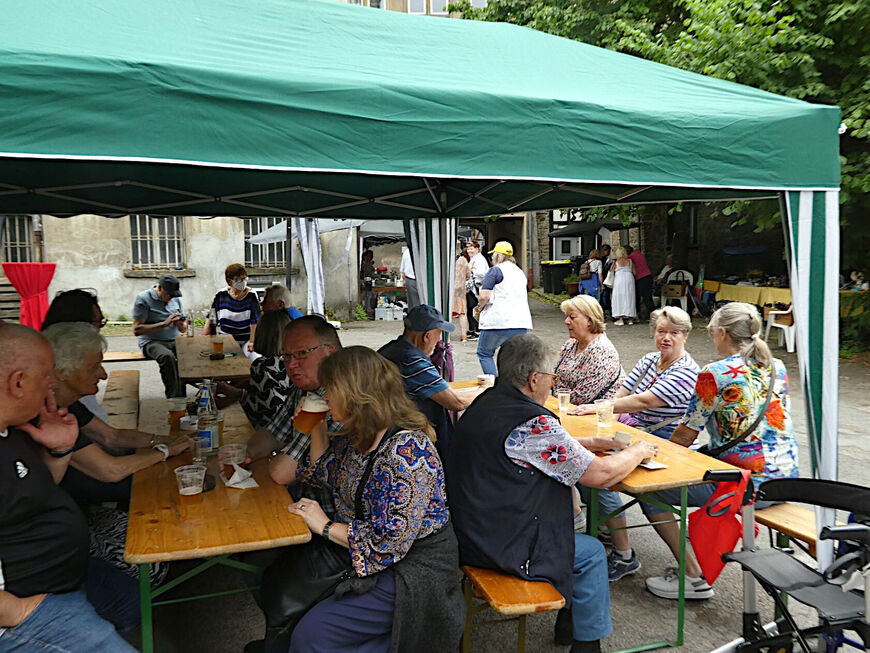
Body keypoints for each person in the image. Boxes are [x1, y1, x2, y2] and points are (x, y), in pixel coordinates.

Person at [447, 334, 657, 653]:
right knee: (589, 552)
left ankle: (568, 622)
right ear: (534, 379)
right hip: (500, 546)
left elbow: (530, 449)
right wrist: (639, 450)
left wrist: (589, 445)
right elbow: (601, 476)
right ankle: (587, 645)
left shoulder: (484, 403)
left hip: (468, 530)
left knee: (568, 530)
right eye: (551, 378)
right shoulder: (531, 421)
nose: (552, 383)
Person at [259, 346, 463, 652]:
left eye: (331, 389)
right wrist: (314, 425)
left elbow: (388, 544)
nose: (325, 396)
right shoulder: (362, 437)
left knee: (311, 636)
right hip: (373, 558)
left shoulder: (409, 452)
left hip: (412, 572)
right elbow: (323, 473)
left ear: (356, 392)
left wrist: (324, 525)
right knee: (282, 594)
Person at [641, 302, 799, 600]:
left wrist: (648, 456)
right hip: (785, 480)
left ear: (723, 333)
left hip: (744, 485)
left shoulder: (714, 373)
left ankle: (694, 577)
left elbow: (686, 434)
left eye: (713, 332)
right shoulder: (775, 366)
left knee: (649, 491)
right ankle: (699, 554)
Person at [0, 323, 139, 651]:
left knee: (132, 604)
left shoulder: (11, 431)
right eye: (47, 374)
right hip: (20, 612)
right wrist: (21, 610)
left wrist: (59, 452)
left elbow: (31, 497)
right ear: (18, 382)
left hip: (64, 577)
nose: (53, 382)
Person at [571, 307, 699, 580]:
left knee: (605, 479)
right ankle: (606, 529)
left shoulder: (687, 371)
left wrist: (595, 408)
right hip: (636, 435)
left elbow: (643, 401)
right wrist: (609, 420)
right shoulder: (650, 360)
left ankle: (625, 554)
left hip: (666, 443)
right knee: (586, 461)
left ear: (685, 335)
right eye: (661, 331)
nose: (666, 338)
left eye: (674, 333)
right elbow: (623, 392)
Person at [43, 322, 190, 507]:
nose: (104, 375)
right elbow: (110, 470)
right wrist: (166, 451)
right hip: (83, 520)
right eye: (94, 367)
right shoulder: (47, 413)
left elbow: (112, 436)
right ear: (61, 372)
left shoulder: (67, 404)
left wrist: (168, 440)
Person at [379, 305, 476, 459]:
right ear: (427, 336)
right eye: (438, 336)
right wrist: (488, 389)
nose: (438, 341)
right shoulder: (412, 360)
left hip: (387, 430)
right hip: (406, 437)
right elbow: (456, 402)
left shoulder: (390, 349)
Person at [41, 288, 110, 423]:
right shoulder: (47, 410)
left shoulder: (71, 402)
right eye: (98, 323)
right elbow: (107, 437)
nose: (103, 375)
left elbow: (109, 436)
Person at [218, 309, 293, 430]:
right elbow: (262, 397)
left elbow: (253, 410)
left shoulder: (262, 365)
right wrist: (236, 393)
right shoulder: (294, 363)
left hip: (268, 435)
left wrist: (231, 398)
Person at [474, 241, 533, 376]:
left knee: (484, 353)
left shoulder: (495, 271)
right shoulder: (519, 272)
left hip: (497, 321)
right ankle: (512, 388)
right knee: (512, 358)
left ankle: (495, 385)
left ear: (497, 255)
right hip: (520, 322)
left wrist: (479, 308)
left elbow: (484, 296)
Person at [554, 295, 624, 406]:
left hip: (596, 414)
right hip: (566, 407)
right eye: (566, 317)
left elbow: (582, 397)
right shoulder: (570, 344)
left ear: (590, 321)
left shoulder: (602, 352)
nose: (566, 321)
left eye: (572, 317)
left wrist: (556, 392)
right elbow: (552, 376)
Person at [132, 273, 188, 398]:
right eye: (169, 295)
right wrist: (164, 324)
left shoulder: (175, 299)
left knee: (193, 353)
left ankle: (195, 391)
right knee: (167, 356)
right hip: (152, 341)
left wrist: (181, 324)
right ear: (160, 288)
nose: (171, 298)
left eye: (174, 295)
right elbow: (136, 330)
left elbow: (183, 329)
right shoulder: (143, 299)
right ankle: (174, 397)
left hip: (174, 339)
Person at [203, 263, 261, 359]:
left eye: (245, 279)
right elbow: (211, 316)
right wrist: (204, 335)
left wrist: (252, 342)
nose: (243, 282)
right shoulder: (221, 295)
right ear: (229, 281)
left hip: (245, 340)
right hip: (226, 339)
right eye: (239, 279)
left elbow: (255, 321)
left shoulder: (251, 295)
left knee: (255, 358)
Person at [465, 239, 489, 340]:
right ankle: (472, 329)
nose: (469, 251)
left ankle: (477, 331)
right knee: (470, 308)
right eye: (468, 249)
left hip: (477, 288)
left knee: (475, 308)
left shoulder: (479, 259)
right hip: (472, 288)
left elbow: (482, 274)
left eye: (471, 249)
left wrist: (471, 270)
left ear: (477, 249)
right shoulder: (474, 258)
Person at [626, 246, 654, 320]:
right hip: (648, 276)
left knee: (638, 297)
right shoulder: (638, 253)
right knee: (648, 296)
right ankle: (651, 314)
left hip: (640, 278)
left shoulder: (630, 257)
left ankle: (648, 314)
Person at [610, 247, 636, 326]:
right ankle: (630, 319)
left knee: (619, 298)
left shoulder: (616, 262)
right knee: (630, 298)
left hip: (619, 280)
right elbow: (634, 272)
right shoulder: (630, 261)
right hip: (629, 279)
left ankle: (620, 319)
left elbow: (611, 270)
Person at [452, 242, 470, 340]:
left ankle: (447, 335)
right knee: (463, 313)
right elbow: (468, 275)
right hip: (460, 290)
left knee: (447, 311)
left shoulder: (446, 258)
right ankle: (464, 336)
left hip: (449, 289)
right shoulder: (463, 260)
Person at [359, 250, 377, 318]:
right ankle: (365, 311)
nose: (369, 258)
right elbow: (362, 274)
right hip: (363, 284)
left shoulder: (370, 265)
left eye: (370, 256)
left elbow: (372, 274)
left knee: (368, 297)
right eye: (368, 256)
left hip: (369, 284)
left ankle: (367, 311)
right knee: (364, 297)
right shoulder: (362, 264)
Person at [599, 244, 613, 316]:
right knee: (605, 297)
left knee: (606, 297)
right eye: (608, 251)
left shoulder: (606, 259)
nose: (609, 252)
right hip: (604, 279)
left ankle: (607, 311)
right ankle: (607, 311)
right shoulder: (602, 260)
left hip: (606, 280)